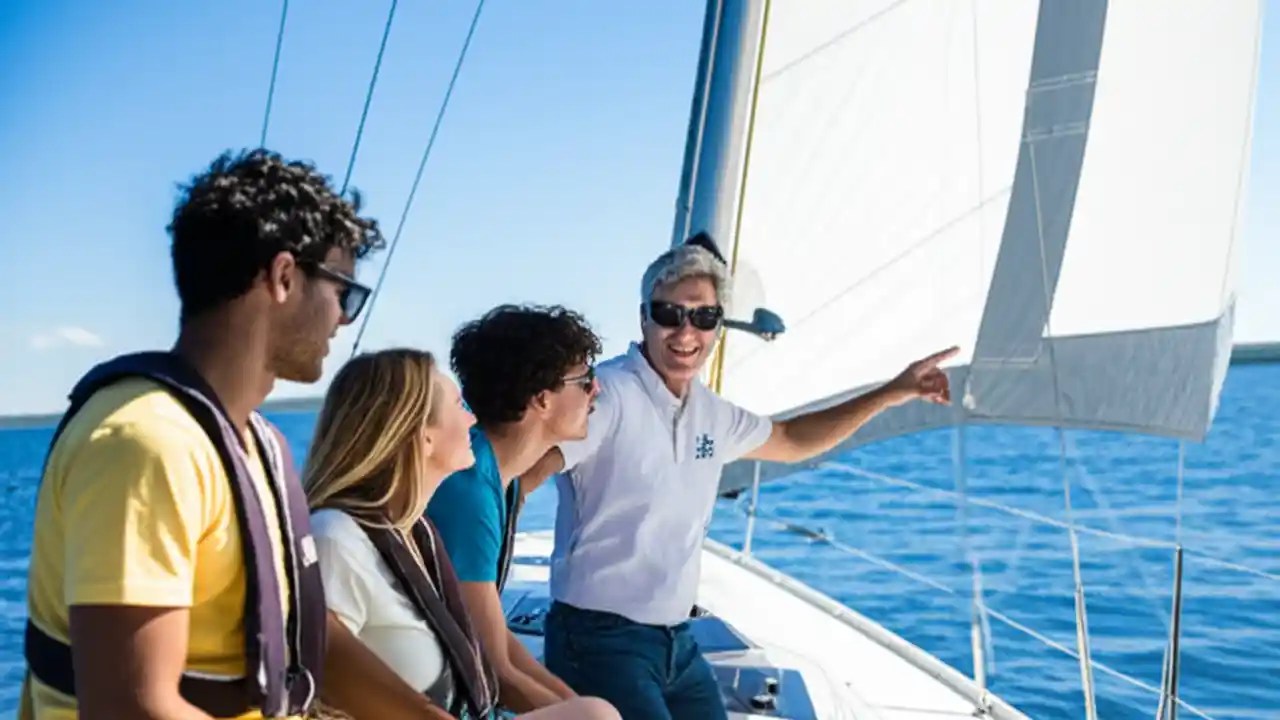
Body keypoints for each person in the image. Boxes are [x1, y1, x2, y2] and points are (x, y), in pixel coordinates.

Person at [527, 232, 958, 720]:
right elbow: (533, 465)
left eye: (704, 317)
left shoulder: (711, 413)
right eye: (669, 314)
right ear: (644, 317)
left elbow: (794, 440)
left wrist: (893, 391)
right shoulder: (610, 396)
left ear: (718, 327)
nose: (685, 333)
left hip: (675, 643)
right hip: (596, 638)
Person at [20, 148, 385, 720]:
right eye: (345, 293)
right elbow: (128, 709)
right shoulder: (145, 444)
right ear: (284, 277)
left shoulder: (259, 445)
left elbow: (297, 647)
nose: (343, 318)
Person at [302, 348, 618, 720]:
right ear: (424, 438)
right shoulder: (336, 538)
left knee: (594, 713)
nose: (471, 420)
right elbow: (315, 684)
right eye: (458, 405)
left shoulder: (415, 534)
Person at [425, 304, 602, 713]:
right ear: (541, 398)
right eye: (585, 380)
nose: (597, 390)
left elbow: (497, 640)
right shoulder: (468, 490)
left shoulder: (496, 479)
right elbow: (490, 668)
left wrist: (571, 704)